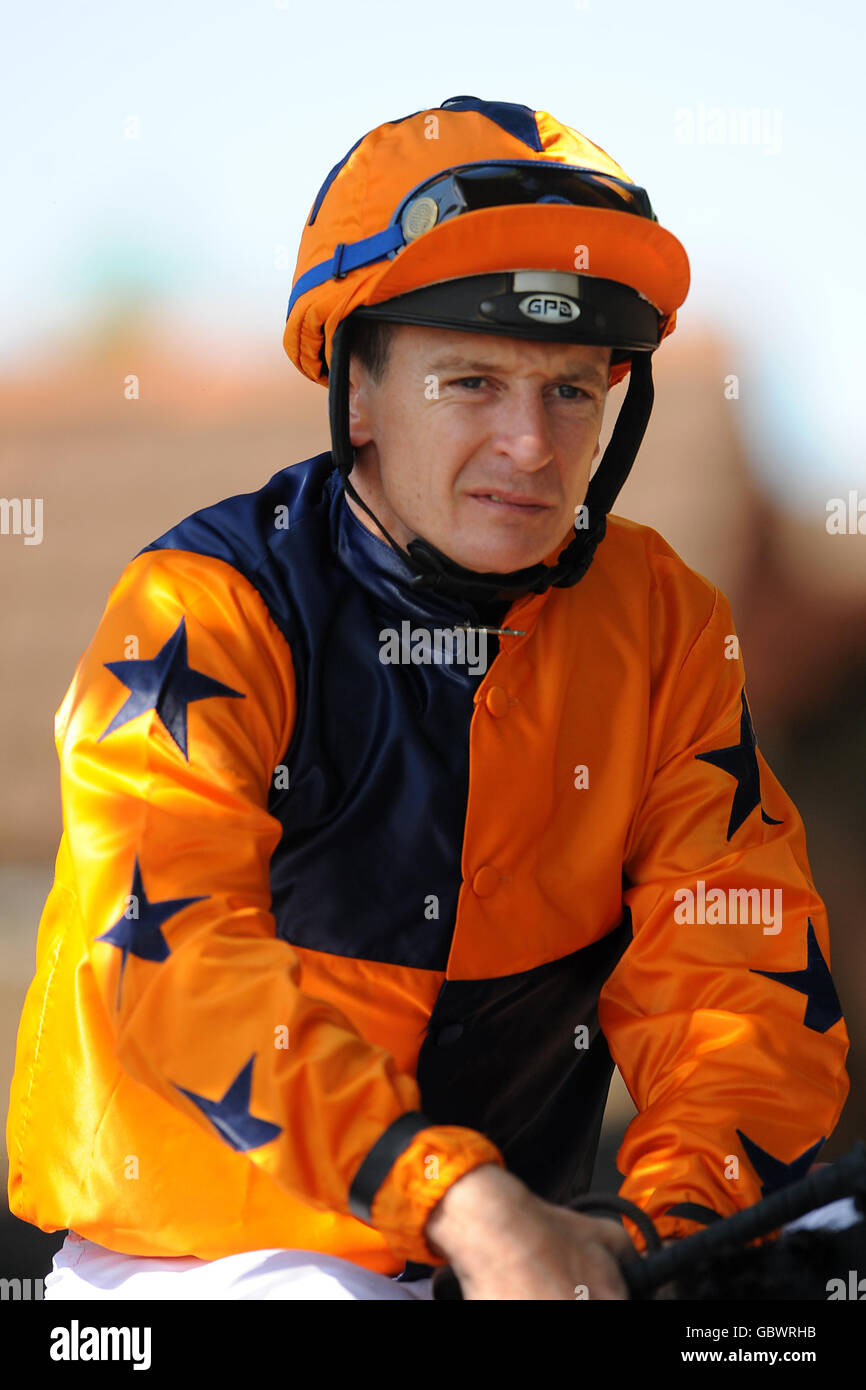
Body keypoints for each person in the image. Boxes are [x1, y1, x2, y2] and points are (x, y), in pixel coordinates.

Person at [7, 95, 851, 1301]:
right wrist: (452, 1195)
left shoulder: (661, 617)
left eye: (570, 391)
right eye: (470, 382)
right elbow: (179, 962)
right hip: (221, 1254)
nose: (529, 445)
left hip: (527, 1245)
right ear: (357, 392)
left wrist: (662, 1228)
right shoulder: (198, 608)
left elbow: (731, 978)